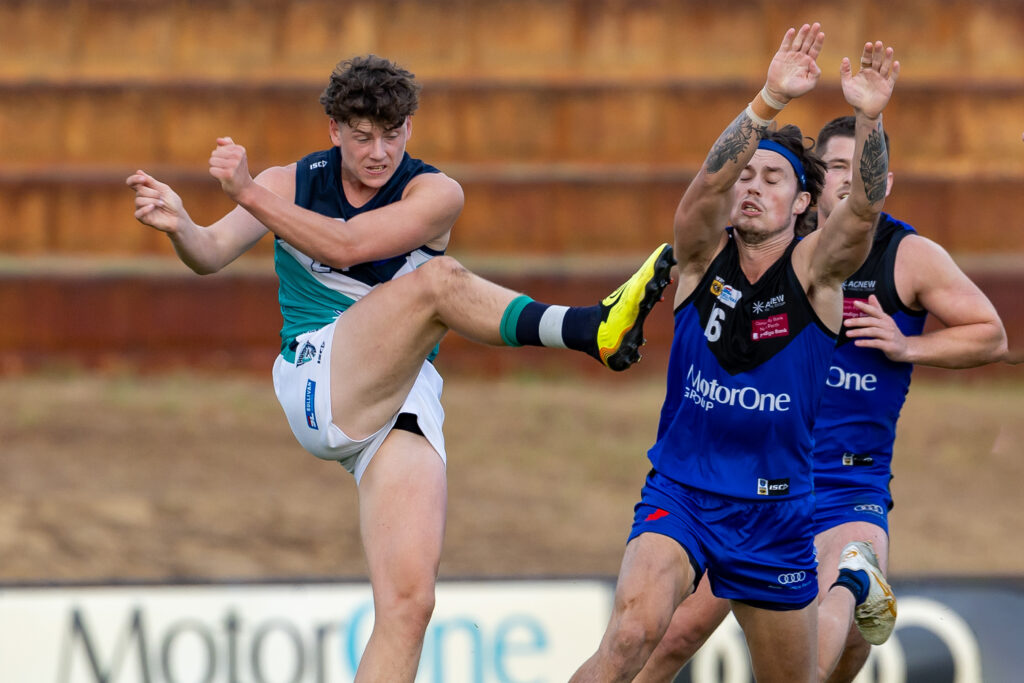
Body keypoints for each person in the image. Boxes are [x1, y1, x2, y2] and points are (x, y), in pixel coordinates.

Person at [126, 54, 675, 682]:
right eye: (362, 137)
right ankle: (589, 329)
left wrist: (244, 190)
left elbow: (351, 244)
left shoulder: (436, 193)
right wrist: (180, 225)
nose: (379, 152)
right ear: (334, 129)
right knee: (437, 283)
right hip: (320, 377)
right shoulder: (286, 182)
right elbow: (210, 253)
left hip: (402, 393)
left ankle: (593, 330)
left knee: (410, 605)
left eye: (392, 134)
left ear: (409, 127)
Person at [569, 24, 899, 683]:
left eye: (772, 178)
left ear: (804, 202)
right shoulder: (698, 257)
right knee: (632, 634)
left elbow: (862, 214)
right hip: (683, 491)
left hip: (775, 510)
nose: (750, 186)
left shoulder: (818, 276)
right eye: (745, 176)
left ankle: (850, 584)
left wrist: (870, 118)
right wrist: (768, 101)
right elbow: (700, 193)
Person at [633, 116, 1008, 682]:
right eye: (833, 166)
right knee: (677, 634)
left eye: (854, 171)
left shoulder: (905, 256)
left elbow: (992, 334)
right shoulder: (785, 253)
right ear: (813, 185)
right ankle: (858, 586)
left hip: (845, 483)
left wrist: (907, 345)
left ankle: (855, 580)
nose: (843, 180)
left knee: (833, 651)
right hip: (761, 480)